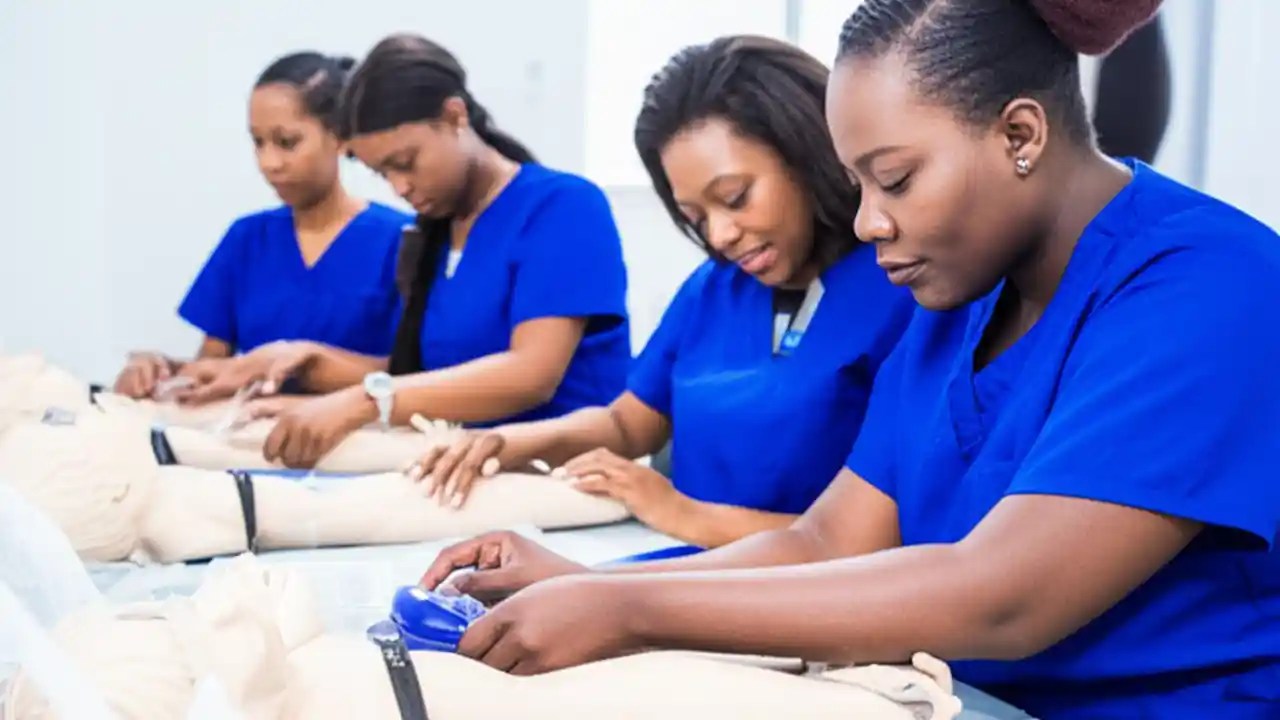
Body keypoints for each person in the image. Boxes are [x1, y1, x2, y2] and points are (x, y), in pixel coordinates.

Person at [415, 1, 1280, 717]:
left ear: (1020, 133)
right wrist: (589, 579)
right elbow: (827, 538)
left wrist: (631, 609)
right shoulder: (963, 302)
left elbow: (1003, 595)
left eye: (895, 180)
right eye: (858, 185)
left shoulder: (1208, 284)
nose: (868, 223)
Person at [409, 36, 914, 549]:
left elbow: (880, 540)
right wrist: (507, 442)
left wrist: (679, 510)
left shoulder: (906, 292)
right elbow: (629, 424)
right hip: (682, 566)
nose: (720, 235)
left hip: (798, 593)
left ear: (808, 155)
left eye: (736, 198)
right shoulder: (716, 289)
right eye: (696, 217)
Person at [180, 34, 631, 470]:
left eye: (405, 163)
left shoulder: (562, 206)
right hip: (458, 465)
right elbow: (429, 375)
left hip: (559, 473)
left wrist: (364, 401)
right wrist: (305, 367)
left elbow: (530, 375)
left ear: (454, 117)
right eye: (382, 174)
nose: (399, 188)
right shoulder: (436, 236)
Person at [112, 52, 412, 400]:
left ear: (340, 136)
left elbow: (414, 375)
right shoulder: (247, 240)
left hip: (359, 446)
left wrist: (308, 365)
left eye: (287, 142)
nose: (269, 163)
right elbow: (212, 371)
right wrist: (159, 370)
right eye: (258, 142)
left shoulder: (401, 241)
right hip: (252, 445)